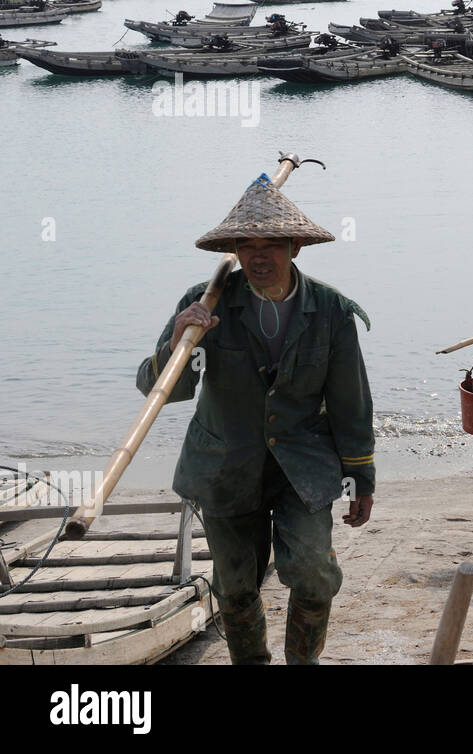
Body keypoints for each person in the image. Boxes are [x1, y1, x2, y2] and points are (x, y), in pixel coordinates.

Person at [136, 174, 375, 664]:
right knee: (236, 587)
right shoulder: (203, 304)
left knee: (312, 574)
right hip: (225, 465)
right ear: (235, 250)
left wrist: (361, 478)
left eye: (272, 245)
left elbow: (351, 401)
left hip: (303, 467)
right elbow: (161, 390)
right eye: (248, 245)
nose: (259, 256)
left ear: (294, 249)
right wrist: (179, 340)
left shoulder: (330, 311)